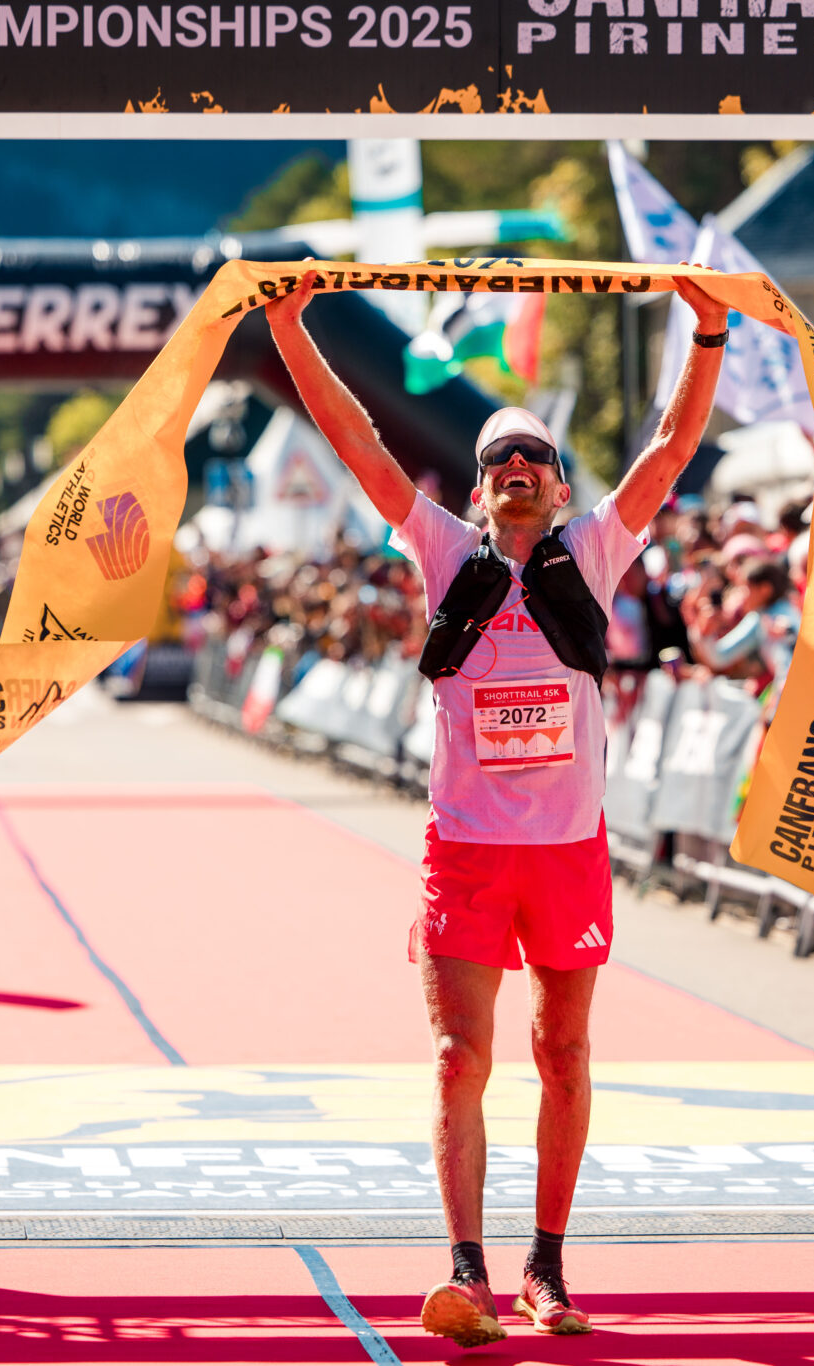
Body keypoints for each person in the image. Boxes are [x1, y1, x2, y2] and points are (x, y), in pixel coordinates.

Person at [267, 270, 729, 1345]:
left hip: (565, 852)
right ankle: (465, 1272)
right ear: (475, 492)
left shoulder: (597, 550)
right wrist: (290, 328)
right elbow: (353, 437)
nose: (516, 470)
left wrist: (705, 327)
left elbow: (668, 446)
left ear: (560, 489)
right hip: (467, 852)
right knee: (456, 1058)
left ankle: (546, 1268)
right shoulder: (436, 550)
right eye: (496, 463)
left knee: (563, 1056)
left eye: (535, 460)